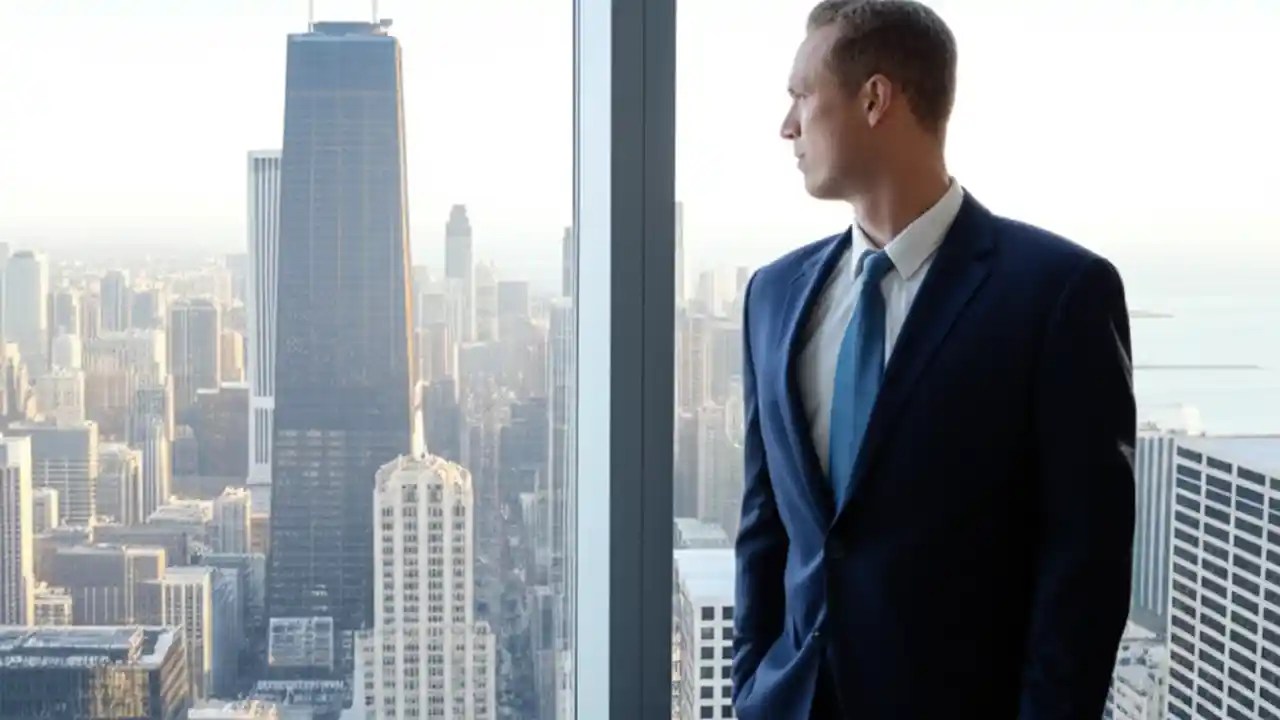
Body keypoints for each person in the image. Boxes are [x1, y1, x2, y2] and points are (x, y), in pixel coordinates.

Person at [732, 1, 1136, 718]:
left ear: (875, 98)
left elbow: (1084, 568)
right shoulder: (773, 295)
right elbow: (765, 529)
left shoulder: (1056, 294)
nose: (785, 126)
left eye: (801, 95)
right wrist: (750, 692)